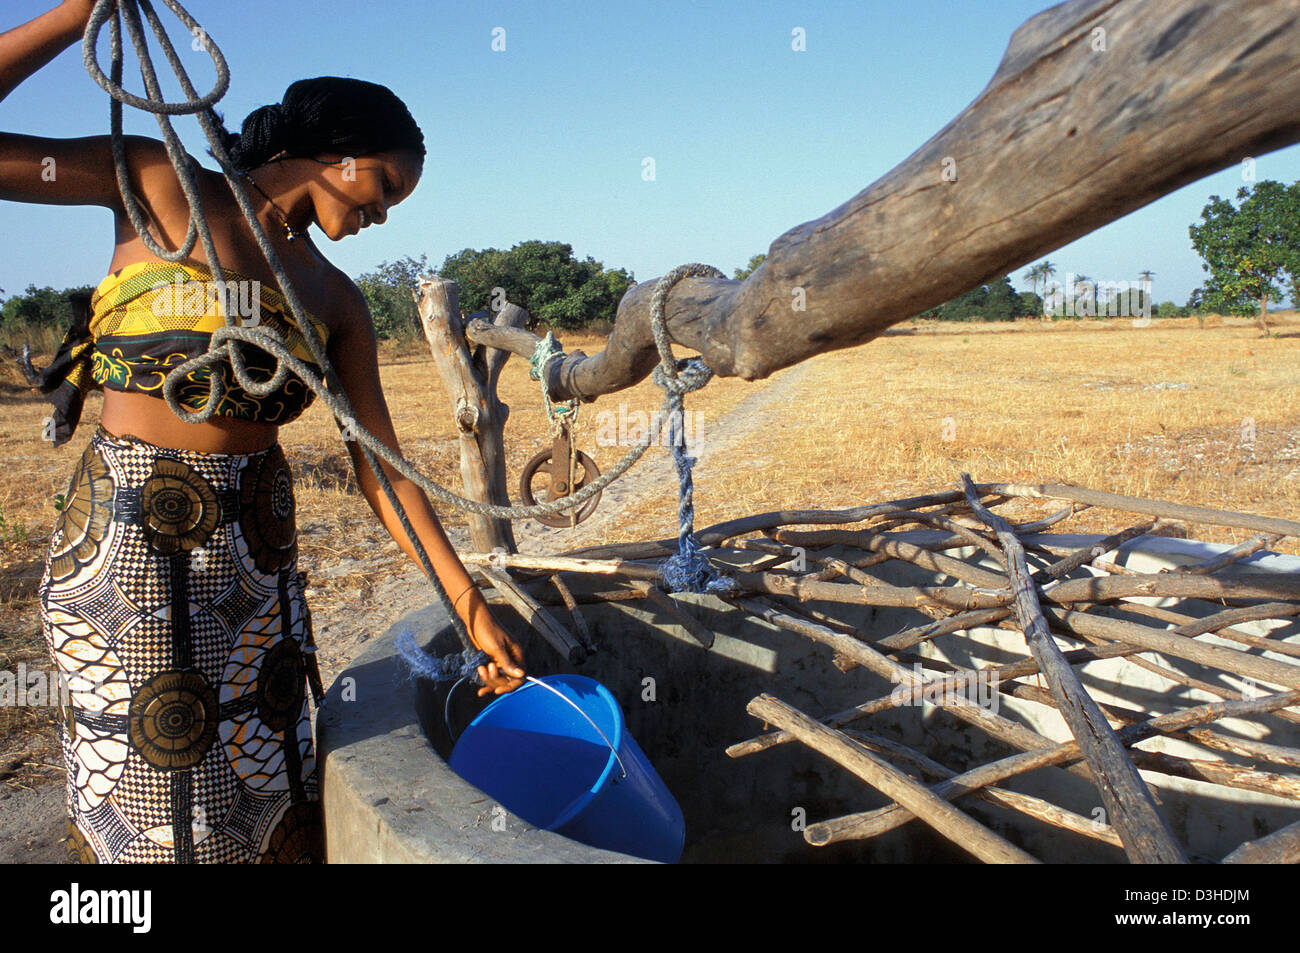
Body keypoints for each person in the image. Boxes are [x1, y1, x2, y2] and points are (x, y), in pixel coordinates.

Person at [1, 0, 526, 863]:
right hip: (127, 554)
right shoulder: (157, 186)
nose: (384, 215)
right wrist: (77, 13)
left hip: (256, 568)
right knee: (157, 813)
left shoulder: (334, 300)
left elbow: (385, 474)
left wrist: (470, 610)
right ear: (330, 152)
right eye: (384, 186)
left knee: (271, 797)